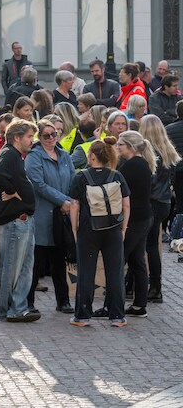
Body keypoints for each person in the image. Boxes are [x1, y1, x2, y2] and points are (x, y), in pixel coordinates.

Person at [68, 137, 130, 327]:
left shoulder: (81, 176)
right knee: (115, 273)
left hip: (89, 230)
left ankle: (83, 316)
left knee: (86, 272)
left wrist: (74, 229)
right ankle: (117, 317)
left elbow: (74, 206)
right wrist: (123, 228)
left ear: (92, 156)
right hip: (112, 230)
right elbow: (126, 205)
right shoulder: (116, 176)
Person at [0, 119, 40, 322]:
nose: (32, 140)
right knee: (12, 268)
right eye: (29, 136)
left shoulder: (15, 155)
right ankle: (11, 309)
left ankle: (19, 307)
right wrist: (12, 192)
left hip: (23, 219)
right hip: (15, 221)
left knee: (25, 267)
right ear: (17, 137)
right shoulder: (10, 154)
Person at [24, 118, 75, 314]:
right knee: (36, 262)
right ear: (39, 137)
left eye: (54, 134)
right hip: (43, 215)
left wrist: (68, 201)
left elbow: (72, 179)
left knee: (59, 261)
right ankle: (28, 301)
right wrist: (63, 201)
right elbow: (38, 185)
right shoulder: (34, 157)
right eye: (46, 135)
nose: (51, 138)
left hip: (62, 216)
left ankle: (63, 301)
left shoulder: (64, 155)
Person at [139, 115, 179, 303]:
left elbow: (149, 180)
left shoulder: (149, 150)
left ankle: (153, 287)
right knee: (151, 244)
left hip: (152, 201)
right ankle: (155, 286)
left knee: (148, 245)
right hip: (164, 202)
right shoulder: (167, 149)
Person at [115, 130, 155, 318]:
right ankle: (139, 305)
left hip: (135, 220)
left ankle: (113, 305)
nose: (118, 147)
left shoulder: (133, 165)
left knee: (120, 259)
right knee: (137, 261)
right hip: (142, 217)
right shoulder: (140, 163)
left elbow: (116, 187)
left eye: (121, 145)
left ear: (130, 147)